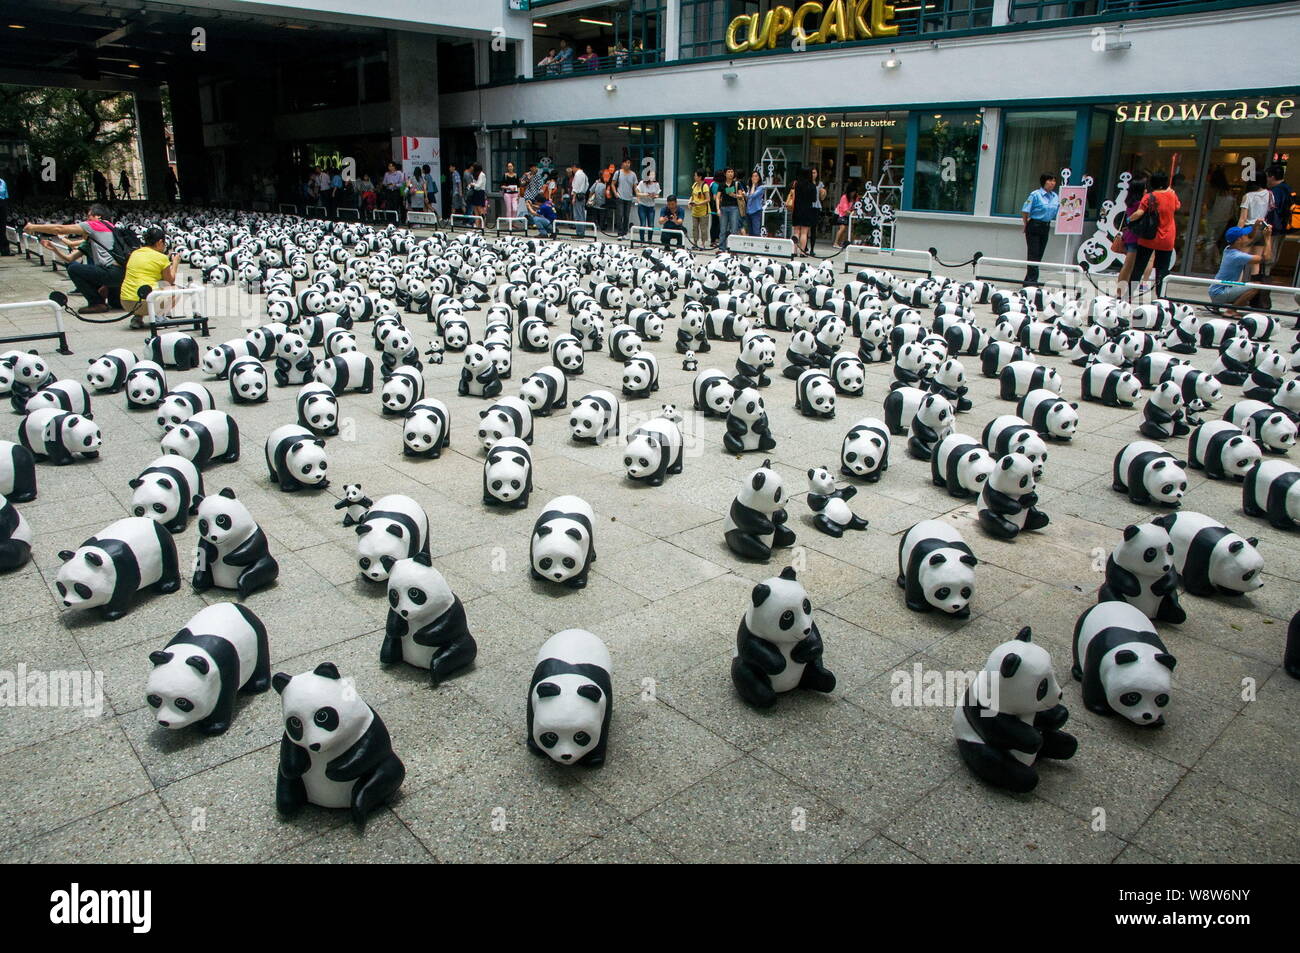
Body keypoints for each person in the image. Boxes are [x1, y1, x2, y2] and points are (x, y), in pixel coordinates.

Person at [25, 204, 123, 314]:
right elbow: (69, 258)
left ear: (98, 217)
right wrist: (54, 249)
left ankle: (96, 303)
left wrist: (33, 227)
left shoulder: (95, 225)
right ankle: (112, 299)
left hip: (111, 272)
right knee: (115, 304)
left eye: (89, 216)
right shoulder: (111, 228)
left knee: (73, 269)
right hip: (121, 274)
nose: (86, 220)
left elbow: (59, 228)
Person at [1126, 171, 1180, 300]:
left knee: (1138, 268)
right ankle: (1161, 298)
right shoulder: (1172, 195)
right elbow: (1177, 207)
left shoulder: (1149, 196)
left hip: (1148, 237)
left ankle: (1128, 296)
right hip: (1167, 238)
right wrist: (1169, 191)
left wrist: (1129, 220)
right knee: (1162, 270)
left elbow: (1139, 213)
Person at [119, 226, 180, 329]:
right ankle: (159, 317)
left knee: (145, 285)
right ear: (160, 242)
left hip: (126, 302)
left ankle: (137, 318)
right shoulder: (161, 258)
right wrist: (175, 263)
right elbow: (169, 280)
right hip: (147, 304)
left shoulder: (135, 253)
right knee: (175, 290)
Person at [1208, 225, 1265, 317]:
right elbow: (1265, 258)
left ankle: (1218, 305)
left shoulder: (1228, 249)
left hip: (1214, 290)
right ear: (1239, 240)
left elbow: (1249, 241)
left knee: (1244, 297)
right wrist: (1267, 237)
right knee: (1256, 286)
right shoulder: (1237, 256)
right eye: (1245, 235)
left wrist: (1256, 227)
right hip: (1220, 293)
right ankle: (1231, 311)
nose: (1247, 236)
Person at [1020, 172, 1060, 285]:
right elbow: (1025, 210)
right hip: (1034, 226)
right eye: (1050, 180)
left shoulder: (1055, 196)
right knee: (1033, 254)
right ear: (1044, 182)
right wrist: (1025, 224)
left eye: (1054, 181)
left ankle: (1027, 281)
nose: (1052, 183)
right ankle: (1033, 282)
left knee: (1039, 255)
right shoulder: (1035, 195)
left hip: (1046, 226)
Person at [1114, 175, 1150, 297]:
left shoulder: (1130, 201)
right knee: (1129, 266)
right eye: (1144, 188)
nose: (1146, 190)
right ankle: (1121, 293)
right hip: (1136, 237)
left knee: (1127, 266)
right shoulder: (1140, 203)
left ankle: (1120, 292)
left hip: (1129, 236)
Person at [1238, 177, 1273, 278]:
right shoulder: (1269, 194)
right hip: (1263, 227)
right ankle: (1254, 287)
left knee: (1241, 260)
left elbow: (1243, 218)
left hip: (1249, 228)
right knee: (1256, 261)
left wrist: (1237, 233)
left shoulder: (1248, 196)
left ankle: (1236, 286)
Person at [1265, 163, 1292, 273]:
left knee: (1269, 254)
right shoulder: (1288, 189)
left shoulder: (1276, 191)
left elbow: (1272, 210)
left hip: (1273, 227)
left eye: (1267, 176)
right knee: (1273, 254)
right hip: (1283, 227)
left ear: (1271, 176)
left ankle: (1262, 279)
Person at [789, 167, 818, 255]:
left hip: (797, 209)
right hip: (807, 210)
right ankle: (802, 252)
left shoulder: (797, 185)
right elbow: (814, 199)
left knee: (796, 231)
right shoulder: (812, 186)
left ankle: (793, 251)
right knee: (804, 232)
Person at [715, 167, 742, 251]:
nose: (731, 173)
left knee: (734, 229)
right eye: (729, 172)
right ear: (725, 174)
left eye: (732, 172)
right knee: (723, 229)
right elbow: (717, 197)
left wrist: (734, 195)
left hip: (734, 208)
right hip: (724, 208)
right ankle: (722, 248)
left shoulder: (737, 184)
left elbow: (741, 195)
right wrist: (718, 209)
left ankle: (733, 248)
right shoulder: (722, 185)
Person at [611, 159, 637, 236]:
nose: (627, 164)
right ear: (623, 164)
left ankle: (625, 233)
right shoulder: (618, 172)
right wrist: (615, 193)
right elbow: (612, 184)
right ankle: (620, 233)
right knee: (620, 215)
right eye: (626, 162)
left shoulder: (633, 174)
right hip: (620, 197)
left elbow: (635, 186)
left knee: (626, 216)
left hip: (629, 198)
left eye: (629, 163)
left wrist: (638, 196)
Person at [688, 168, 711, 249]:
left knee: (703, 228)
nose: (694, 177)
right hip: (695, 211)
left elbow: (708, 199)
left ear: (700, 177)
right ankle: (695, 243)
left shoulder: (705, 186)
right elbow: (692, 196)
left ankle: (703, 243)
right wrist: (690, 202)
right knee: (695, 228)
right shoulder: (694, 185)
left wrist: (698, 203)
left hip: (703, 211)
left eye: (695, 175)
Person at [808, 167, 827, 253]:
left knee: (813, 228)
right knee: (806, 228)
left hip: (816, 206)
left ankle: (812, 248)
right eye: (812, 173)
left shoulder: (820, 184)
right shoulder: (807, 183)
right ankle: (804, 247)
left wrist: (823, 192)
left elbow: (822, 198)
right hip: (808, 206)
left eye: (815, 173)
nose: (813, 175)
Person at [744, 169, 765, 236]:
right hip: (749, 211)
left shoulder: (761, 188)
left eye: (756, 176)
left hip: (756, 211)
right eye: (753, 176)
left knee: (756, 231)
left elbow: (752, 195)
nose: (754, 178)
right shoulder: (749, 188)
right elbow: (748, 196)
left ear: (759, 178)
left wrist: (753, 185)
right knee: (750, 231)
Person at [0, 171, 10, 256]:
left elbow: (6, 195)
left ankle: (5, 250)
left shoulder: (2, 182)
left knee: (2, 227)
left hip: (2, 204)